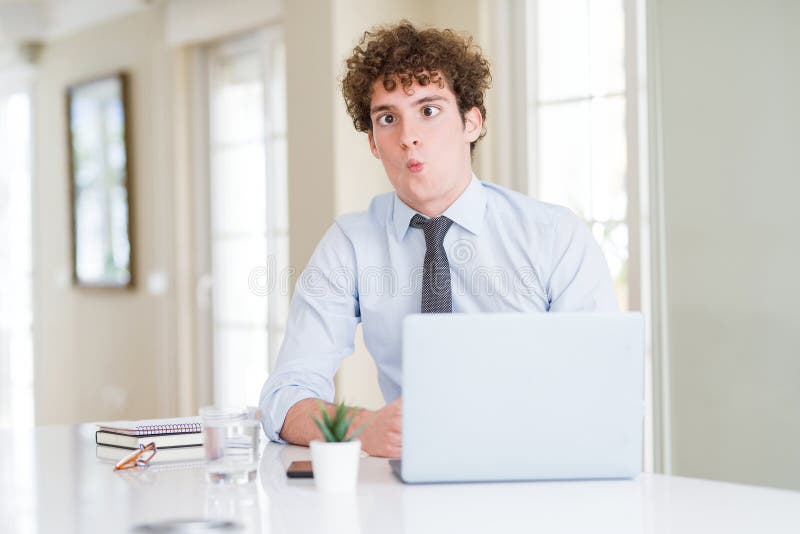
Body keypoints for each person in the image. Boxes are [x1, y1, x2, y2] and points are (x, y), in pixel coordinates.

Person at [259, 20, 618, 458]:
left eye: (428, 111)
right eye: (387, 119)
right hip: (408, 479)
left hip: (536, 468)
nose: (408, 136)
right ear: (373, 143)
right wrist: (364, 427)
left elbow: (601, 390)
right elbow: (284, 399)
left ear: (471, 123)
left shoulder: (554, 237)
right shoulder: (350, 245)